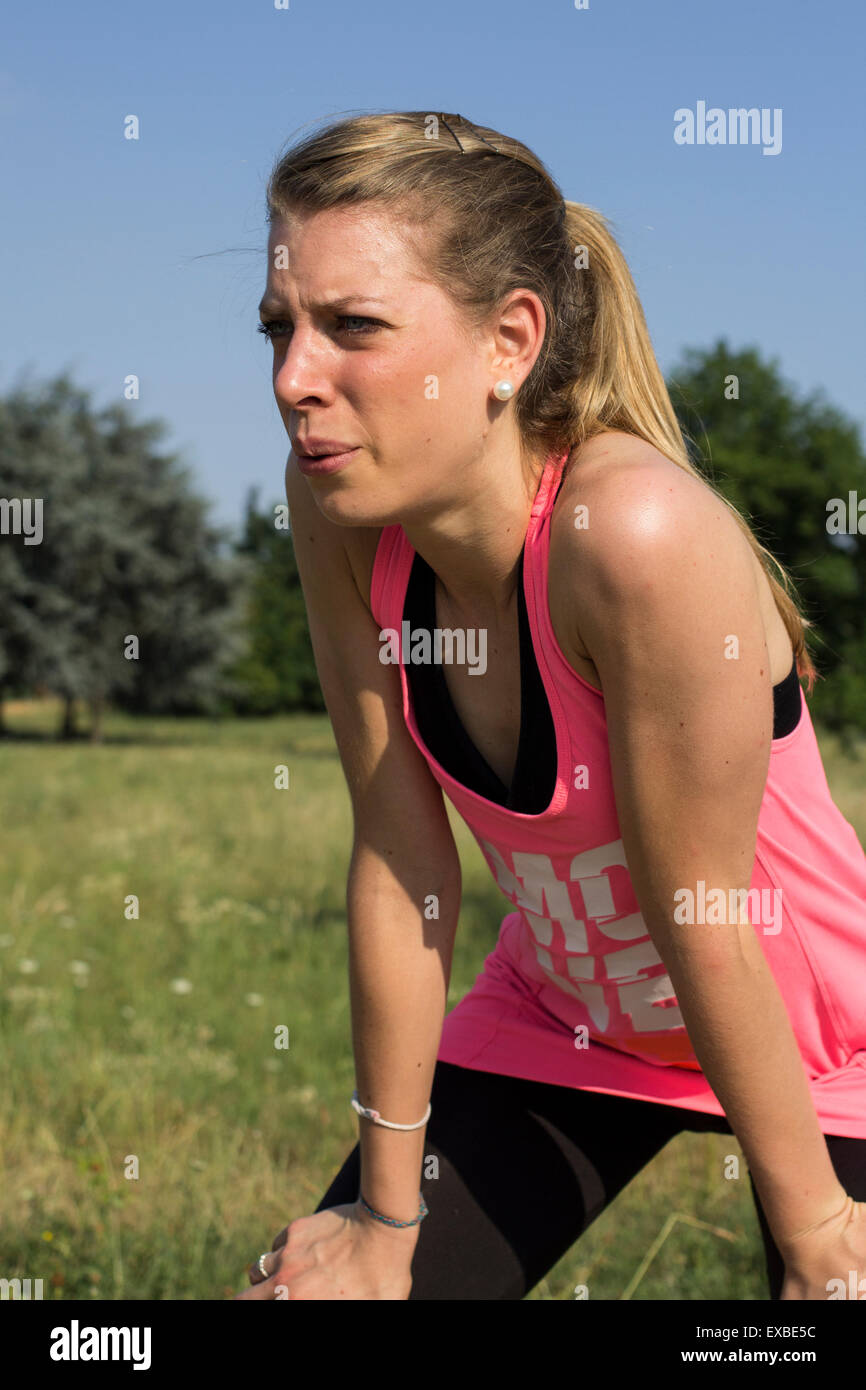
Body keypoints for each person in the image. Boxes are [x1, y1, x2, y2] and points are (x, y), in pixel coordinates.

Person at [235, 110, 866, 1301]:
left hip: (818, 1042)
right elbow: (398, 853)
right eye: (280, 327)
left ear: (506, 341)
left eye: (352, 327)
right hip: (564, 1015)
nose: (292, 380)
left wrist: (817, 1231)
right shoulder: (336, 507)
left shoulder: (633, 535)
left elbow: (702, 911)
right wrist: (382, 1215)